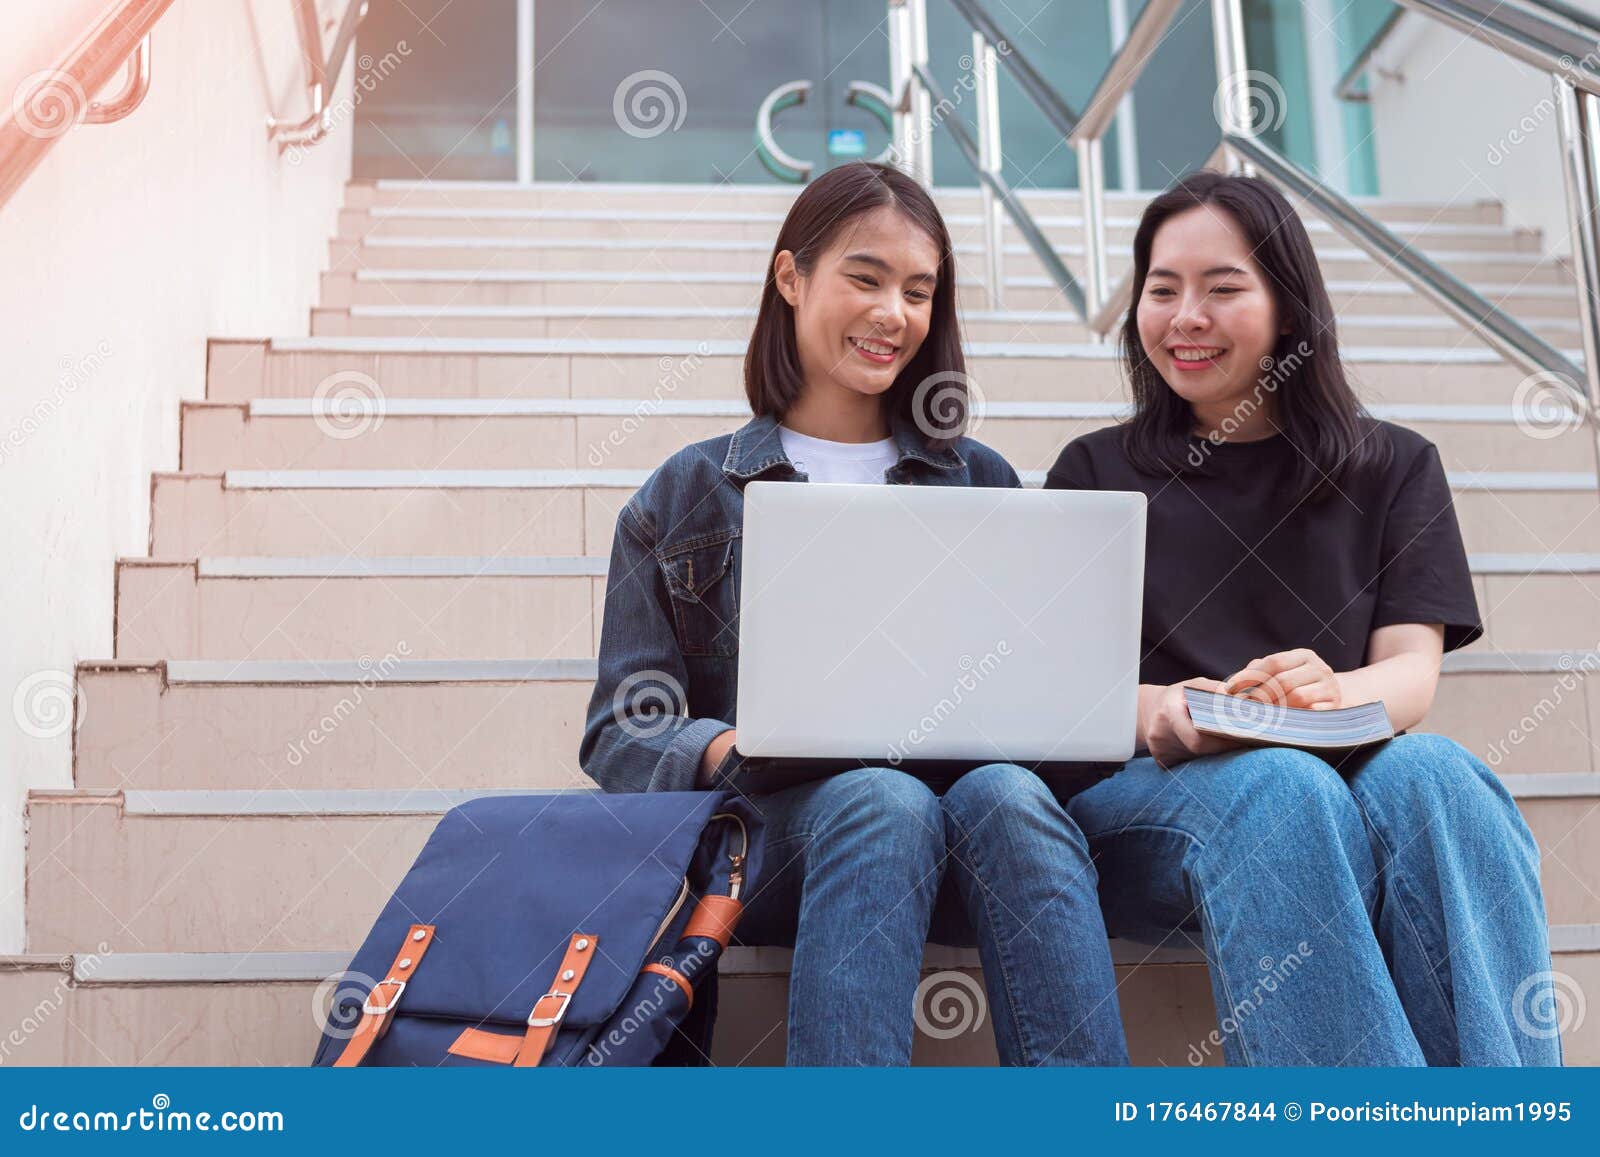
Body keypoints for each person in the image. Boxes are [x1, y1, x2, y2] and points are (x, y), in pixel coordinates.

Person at [581, 161, 1127, 1066]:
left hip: (969, 842)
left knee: (1006, 790)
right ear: (791, 277)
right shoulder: (688, 491)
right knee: (880, 799)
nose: (893, 314)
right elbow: (618, 731)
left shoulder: (979, 481)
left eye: (918, 291)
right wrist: (731, 746)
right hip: (774, 851)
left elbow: (1038, 696)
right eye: (865, 278)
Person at [1047, 169, 1559, 1066]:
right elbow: (1057, 691)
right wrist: (1167, 711)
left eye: (1223, 288)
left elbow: (1411, 673)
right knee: (1287, 790)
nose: (1185, 317)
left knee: (1439, 775)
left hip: (1337, 777)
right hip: (1150, 805)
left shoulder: (1393, 465)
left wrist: (1320, 693)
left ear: (1289, 305)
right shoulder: (1094, 471)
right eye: (1161, 290)